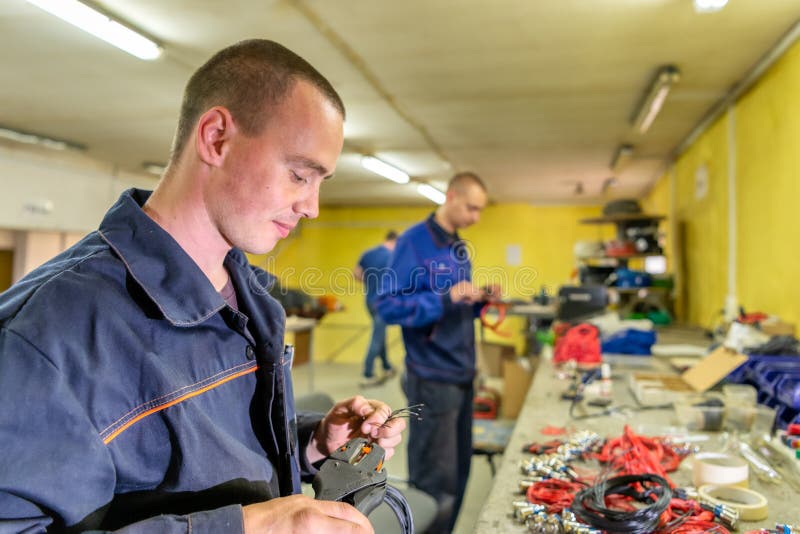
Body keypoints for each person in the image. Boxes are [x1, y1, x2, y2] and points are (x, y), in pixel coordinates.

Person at [0, 39, 405, 533]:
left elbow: (215, 463)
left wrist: (312, 444)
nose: (312, 206)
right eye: (300, 174)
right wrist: (245, 529)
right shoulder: (46, 336)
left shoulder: (254, 300)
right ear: (216, 138)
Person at [375, 172, 494, 533]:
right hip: (431, 375)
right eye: (471, 207)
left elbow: (455, 304)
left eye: (480, 211)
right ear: (451, 196)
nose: (476, 217)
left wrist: (477, 299)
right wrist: (446, 297)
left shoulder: (458, 246)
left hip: (462, 372)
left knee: (459, 474)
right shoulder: (413, 242)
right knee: (434, 480)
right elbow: (388, 306)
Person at [354, 230, 398, 387]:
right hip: (384, 303)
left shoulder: (369, 253)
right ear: (394, 242)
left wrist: (370, 283)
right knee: (376, 336)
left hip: (370, 301)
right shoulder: (393, 256)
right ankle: (368, 373)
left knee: (380, 333)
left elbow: (357, 274)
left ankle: (386, 366)